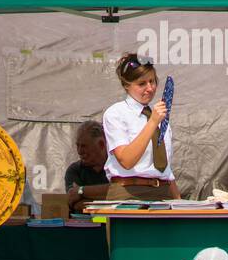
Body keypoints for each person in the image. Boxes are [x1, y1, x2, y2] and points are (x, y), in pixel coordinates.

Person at [102, 54, 179, 201]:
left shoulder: (159, 116)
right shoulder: (116, 113)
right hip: (129, 192)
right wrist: (152, 123)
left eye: (152, 81)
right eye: (141, 84)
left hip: (163, 192)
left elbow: (166, 169)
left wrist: (179, 203)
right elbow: (126, 160)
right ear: (126, 85)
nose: (149, 88)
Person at [65, 120, 109, 191]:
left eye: (84, 146)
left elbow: (119, 192)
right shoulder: (75, 171)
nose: (79, 151)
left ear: (101, 144)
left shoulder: (115, 168)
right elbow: (73, 197)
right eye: (77, 145)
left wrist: (81, 191)